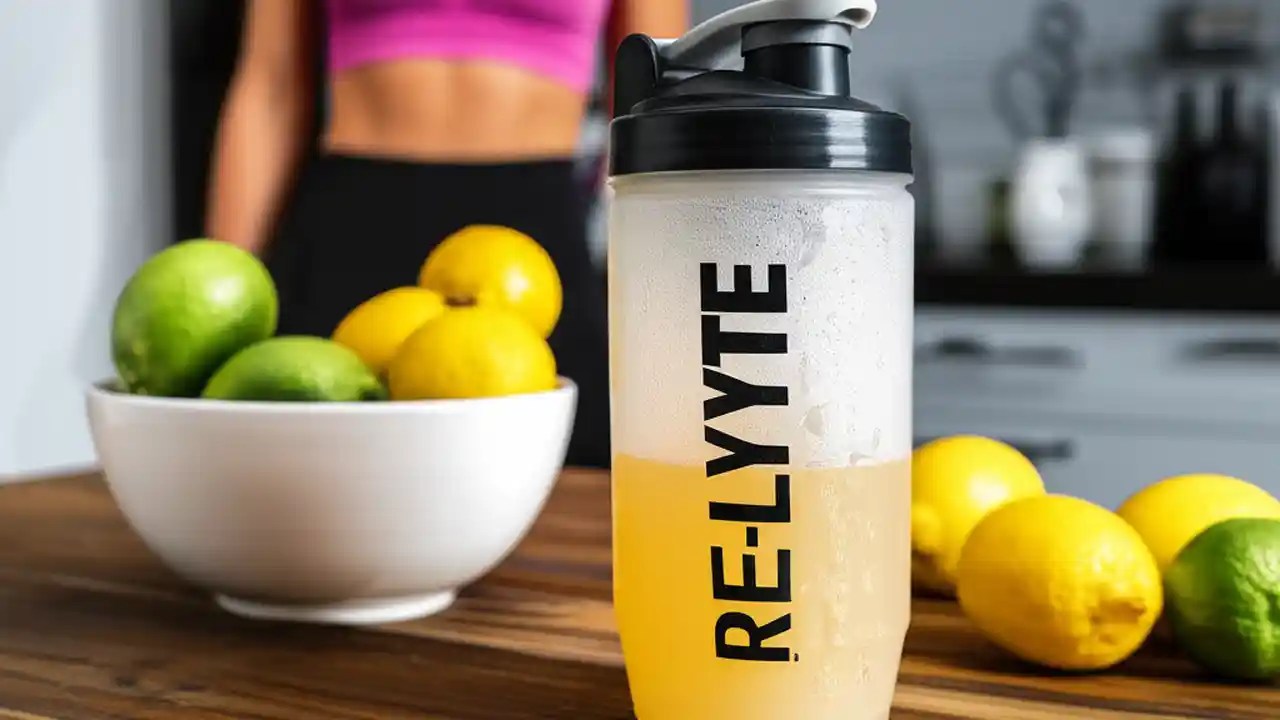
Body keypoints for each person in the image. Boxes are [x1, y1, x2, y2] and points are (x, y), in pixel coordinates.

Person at [205, 0, 688, 469]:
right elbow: (270, 88)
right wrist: (216, 307)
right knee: (307, 492)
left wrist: (678, 329)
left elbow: (653, 103)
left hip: (532, 253)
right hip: (349, 237)